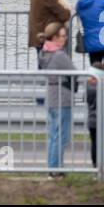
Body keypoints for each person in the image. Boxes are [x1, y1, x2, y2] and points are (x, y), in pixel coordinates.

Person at [38, 22, 76, 174]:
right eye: (62, 36)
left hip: (52, 96)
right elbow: (73, 72)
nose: (65, 39)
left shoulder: (44, 53)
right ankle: (55, 169)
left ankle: (53, 166)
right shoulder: (59, 55)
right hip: (63, 97)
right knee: (62, 136)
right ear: (54, 37)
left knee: (54, 135)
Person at [27, 0, 71, 66]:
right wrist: (66, 7)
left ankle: (44, 80)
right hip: (46, 34)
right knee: (49, 64)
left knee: (42, 61)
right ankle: (48, 81)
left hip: (36, 34)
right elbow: (64, 14)